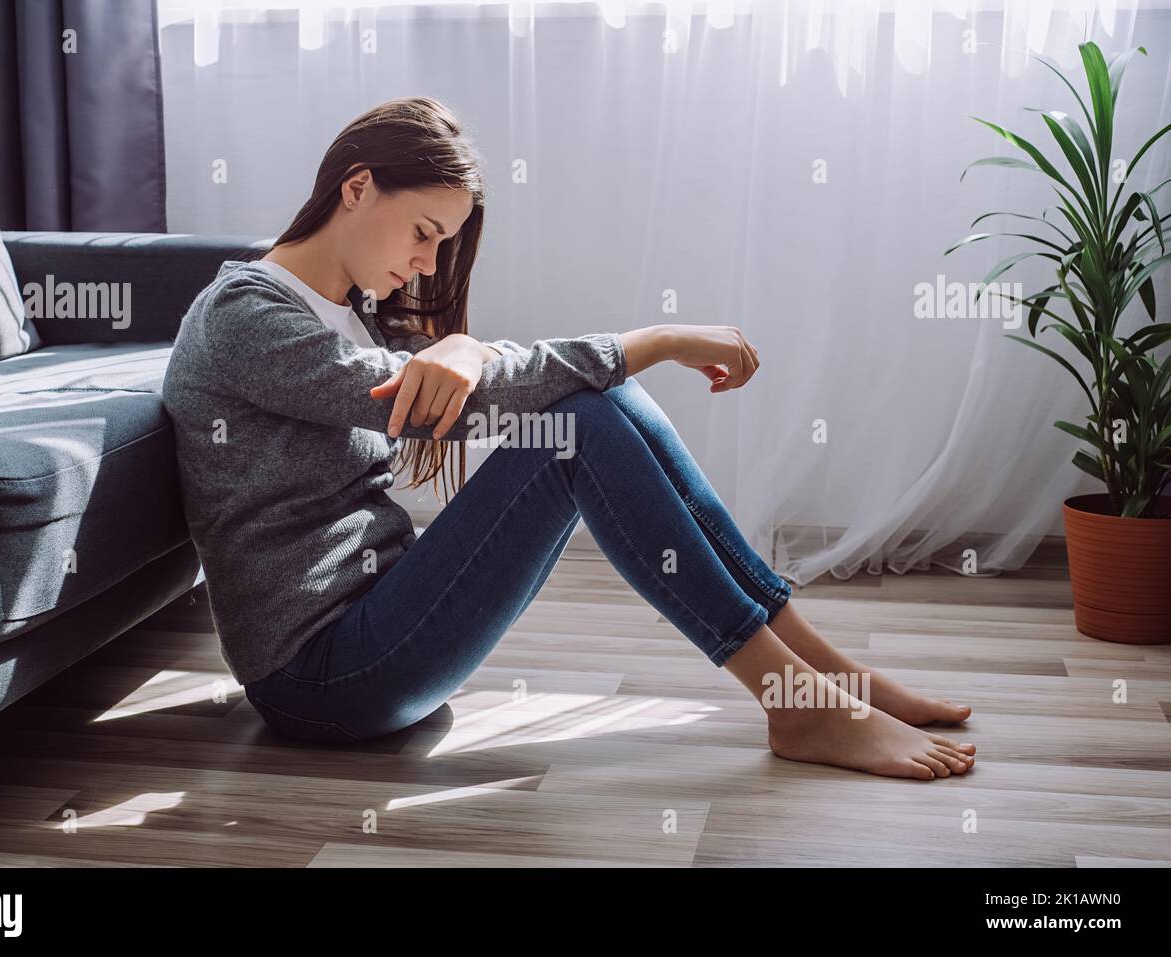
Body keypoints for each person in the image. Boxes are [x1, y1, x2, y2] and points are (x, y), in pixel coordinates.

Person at [161, 96, 975, 780]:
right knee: (578, 422)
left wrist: (474, 349)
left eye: (442, 242)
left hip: (381, 627)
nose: (427, 262)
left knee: (597, 399)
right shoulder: (247, 319)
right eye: (423, 231)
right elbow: (434, 406)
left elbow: (496, 378)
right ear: (358, 187)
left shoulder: (347, 307)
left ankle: (818, 675)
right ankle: (796, 704)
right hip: (319, 676)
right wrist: (652, 338)